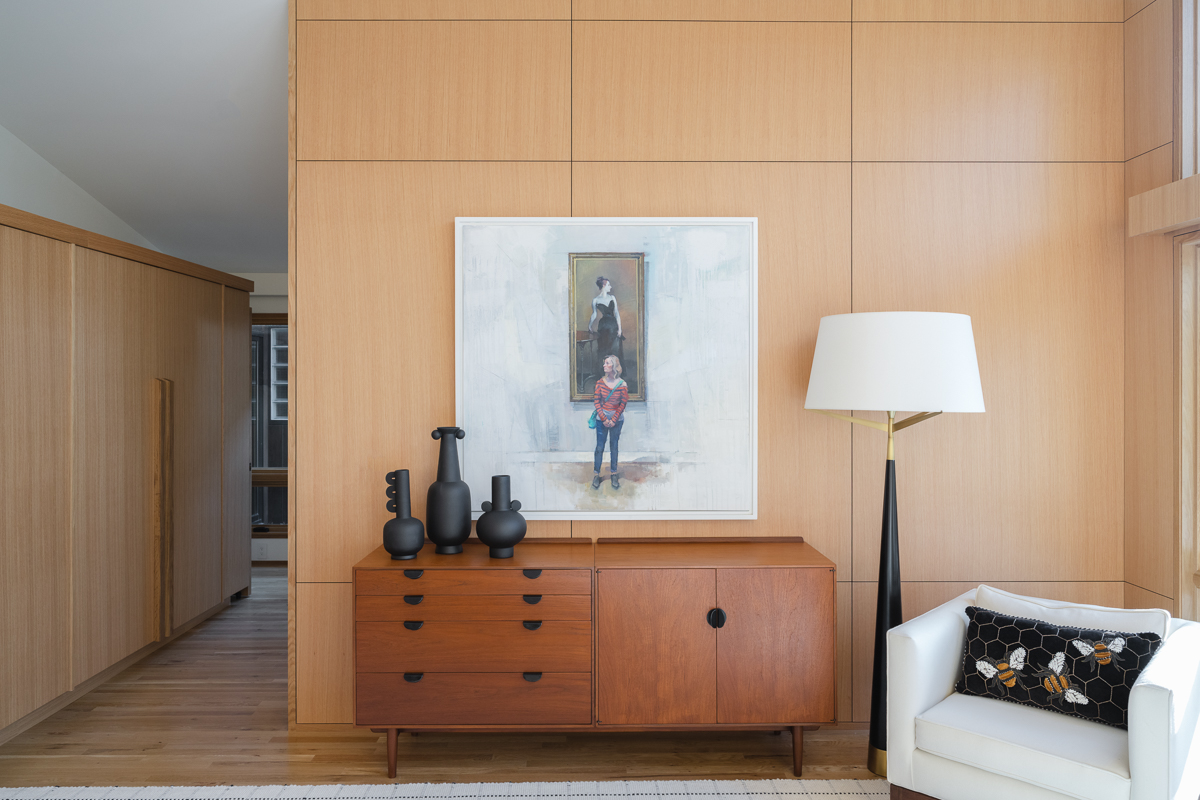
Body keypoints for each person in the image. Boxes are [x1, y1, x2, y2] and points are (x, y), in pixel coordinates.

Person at [591, 355, 628, 490]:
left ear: (613, 366)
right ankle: (596, 475)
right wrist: (604, 418)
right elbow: (596, 402)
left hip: (617, 421)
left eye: (607, 363)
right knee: (600, 447)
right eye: (604, 363)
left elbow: (623, 404)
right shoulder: (600, 383)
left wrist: (613, 419)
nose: (604, 365)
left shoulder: (622, 384)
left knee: (614, 447)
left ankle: (613, 474)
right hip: (602, 421)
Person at [588, 276, 624, 383]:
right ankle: (603, 376)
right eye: (608, 285)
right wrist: (590, 325)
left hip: (613, 326)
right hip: (603, 327)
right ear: (603, 286)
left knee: (615, 350)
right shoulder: (595, 300)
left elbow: (617, 313)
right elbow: (594, 314)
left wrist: (620, 329)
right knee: (603, 350)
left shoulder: (612, 298)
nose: (610, 287)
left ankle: (616, 375)